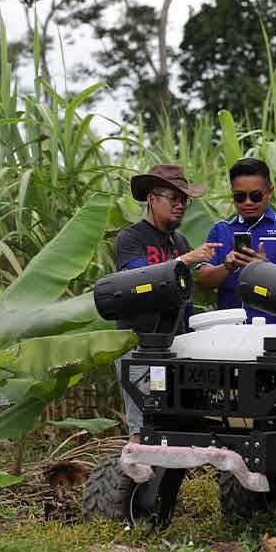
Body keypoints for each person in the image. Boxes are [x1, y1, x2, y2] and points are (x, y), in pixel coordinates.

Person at [113, 164, 221, 442]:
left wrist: (229, 267)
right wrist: (186, 259)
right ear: (152, 198)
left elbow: (199, 275)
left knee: (172, 424)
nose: (181, 206)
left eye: (184, 200)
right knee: (143, 428)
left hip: (174, 346)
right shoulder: (131, 238)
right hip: (141, 347)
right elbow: (138, 279)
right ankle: (134, 481)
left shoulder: (179, 240)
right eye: (174, 199)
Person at [197, 158, 276, 323]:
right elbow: (203, 280)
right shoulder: (220, 230)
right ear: (232, 193)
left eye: (256, 196)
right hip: (230, 330)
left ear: (270, 191)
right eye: (240, 197)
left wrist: (266, 270)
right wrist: (227, 267)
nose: (248, 202)